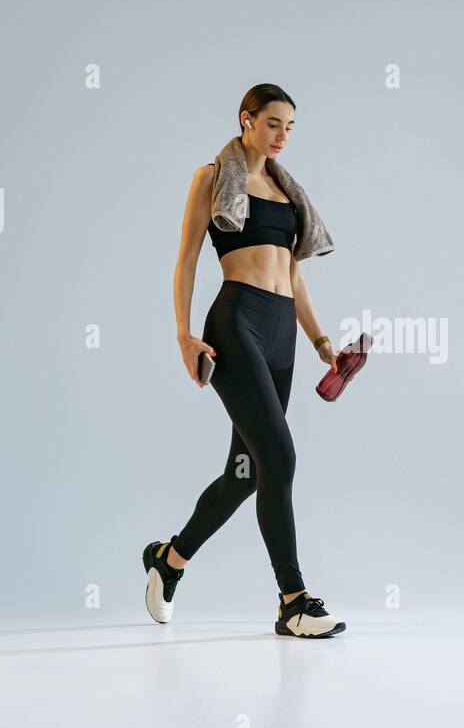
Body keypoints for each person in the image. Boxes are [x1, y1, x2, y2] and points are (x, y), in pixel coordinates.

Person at [142, 84, 346, 638]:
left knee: (246, 472)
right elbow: (185, 258)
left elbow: (293, 276)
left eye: (290, 128)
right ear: (246, 119)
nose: (282, 136)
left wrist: (322, 343)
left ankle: (170, 559)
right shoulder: (212, 177)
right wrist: (184, 335)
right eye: (274, 123)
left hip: (282, 330)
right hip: (236, 323)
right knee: (278, 455)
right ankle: (293, 601)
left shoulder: (286, 191)